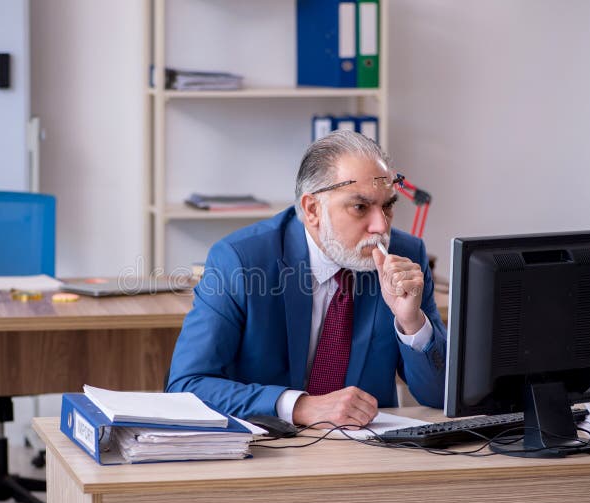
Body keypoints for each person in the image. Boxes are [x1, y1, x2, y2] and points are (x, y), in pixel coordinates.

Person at [166, 130, 447, 428]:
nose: (380, 227)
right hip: (265, 452)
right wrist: (298, 407)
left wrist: (411, 322)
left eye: (387, 206)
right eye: (360, 207)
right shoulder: (241, 261)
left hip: (367, 455)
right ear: (313, 209)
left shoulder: (406, 255)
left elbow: (440, 395)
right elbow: (185, 387)